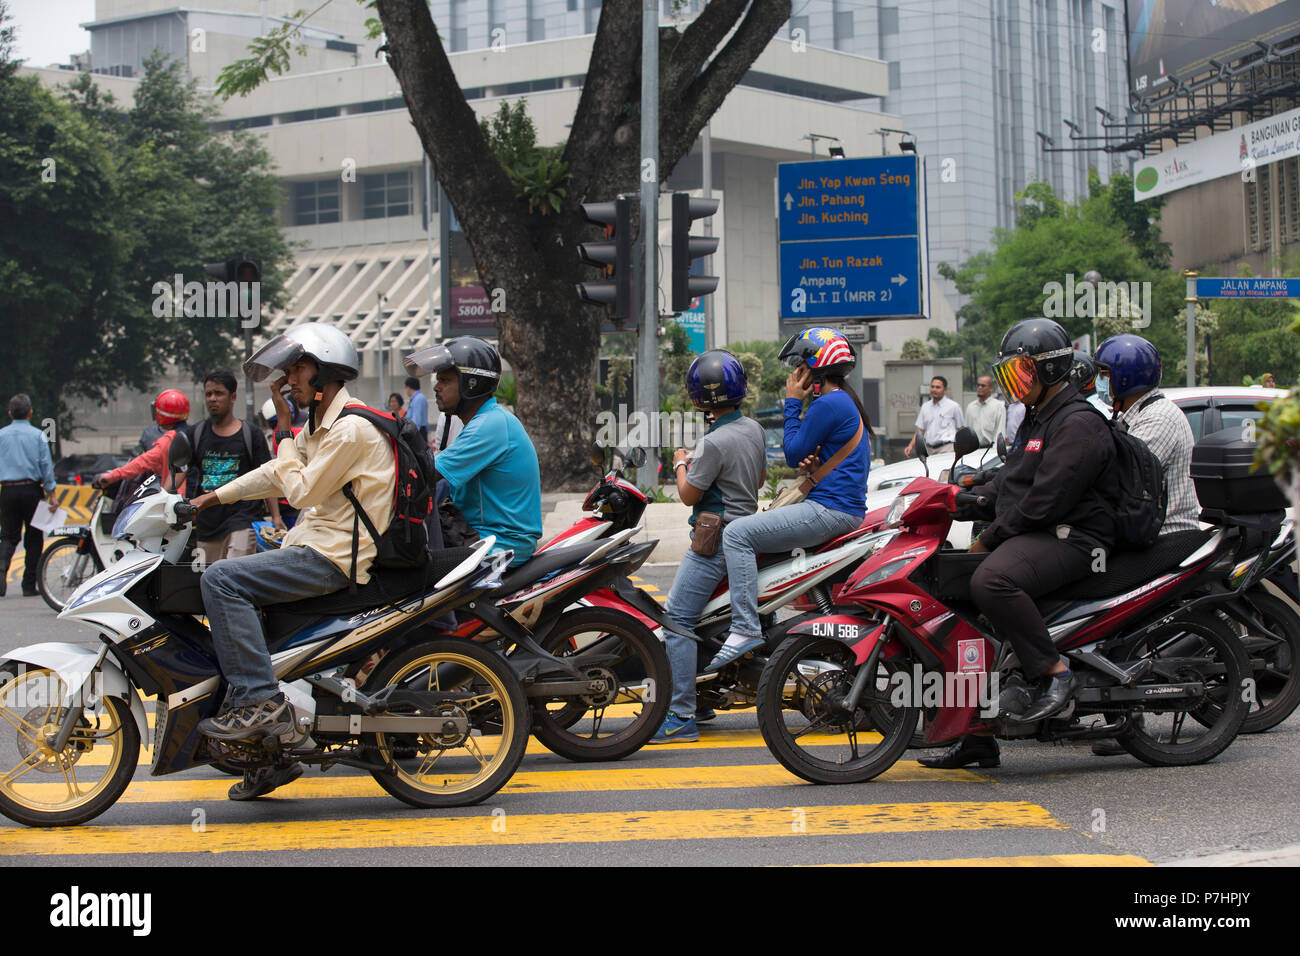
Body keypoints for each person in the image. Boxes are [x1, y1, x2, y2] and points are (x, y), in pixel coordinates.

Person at [188, 323, 394, 801]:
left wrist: (281, 430)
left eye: (297, 369)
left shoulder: (351, 430)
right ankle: (271, 754)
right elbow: (272, 475)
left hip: (331, 557)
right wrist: (209, 499)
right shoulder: (322, 427)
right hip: (308, 547)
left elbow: (299, 489)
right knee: (240, 622)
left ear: (324, 371)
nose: (288, 380)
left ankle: (260, 703)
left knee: (220, 581)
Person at [919, 318, 1117, 770]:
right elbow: (1013, 481)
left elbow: (1046, 500)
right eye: (1010, 373)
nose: (1014, 383)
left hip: (1076, 538)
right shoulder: (1038, 417)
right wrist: (960, 501)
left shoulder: (1078, 423)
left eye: (1022, 372)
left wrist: (990, 537)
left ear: (1049, 371)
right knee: (950, 593)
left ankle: (1053, 671)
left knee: (991, 580)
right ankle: (974, 736)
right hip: (1042, 531)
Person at [707, 327, 869, 671]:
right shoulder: (842, 401)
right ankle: (764, 627)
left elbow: (793, 453)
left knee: (736, 534)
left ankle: (745, 628)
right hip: (836, 507)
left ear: (814, 367)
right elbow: (813, 456)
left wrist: (793, 400)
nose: (794, 375)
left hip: (828, 510)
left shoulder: (828, 403)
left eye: (798, 367)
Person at [1090, 334, 1200, 757]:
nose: (1101, 383)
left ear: (1124, 376)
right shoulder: (1132, 414)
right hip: (1144, 531)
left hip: (1170, 535)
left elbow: (1120, 480)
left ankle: (1125, 714)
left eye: (1105, 375)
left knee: (1106, 597)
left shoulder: (1157, 420)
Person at [650, 351, 766, 744]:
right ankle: (699, 699)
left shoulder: (714, 442)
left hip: (714, 540)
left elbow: (686, 495)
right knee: (699, 619)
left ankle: (681, 714)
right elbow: (761, 476)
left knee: (677, 620)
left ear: (698, 397)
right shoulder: (753, 429)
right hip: (746, 530)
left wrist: (681, 461)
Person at [403, 337, 541, 566]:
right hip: (476, 535)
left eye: (445, 380)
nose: (437, 387)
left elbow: (426, 473)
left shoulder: (490, 425)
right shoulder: (484, 421)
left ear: (472, 383)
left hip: (499, 544)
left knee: (418, 574)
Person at [188, 370, 284, 565]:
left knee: (234, 572)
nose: (213, 399)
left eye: (219, 393)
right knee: (209, 579)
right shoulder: (196, 434)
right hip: (207, 524)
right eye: (208, 394)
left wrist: (276, 516)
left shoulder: (251, 435)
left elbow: (267, 477)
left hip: (242, 519)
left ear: (233, 397)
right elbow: (179, 473)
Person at [0, 394, 58, 598]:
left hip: (7, 490)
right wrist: (52, 494)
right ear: (30, 412)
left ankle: (2, 569)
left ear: (9, 413)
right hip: (32, 491)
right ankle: (28, 585)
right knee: (34, 538)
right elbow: (46, 466)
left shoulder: (1, 435)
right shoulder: (39, 435)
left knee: (7, 536)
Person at [94, 389, 191, 491]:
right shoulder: (194, 433)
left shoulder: (169, 440)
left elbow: (142, 462)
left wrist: (112, 476)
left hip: (177, 499)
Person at [905, 376, 964, 457]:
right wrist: (910, 446)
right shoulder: (925, 407)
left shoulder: (954, 406)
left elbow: (960, 429)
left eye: (938, 387)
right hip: (929, 450)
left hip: (947, 448)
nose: (934, 389)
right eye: (932, 387)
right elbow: (920, 430)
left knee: (945, 470)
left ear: (945, 389)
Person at [964, 375, 1006, 448]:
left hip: (990, 450)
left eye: (983, 386)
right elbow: (967, 430)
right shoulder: (971, 407)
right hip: (973, 450)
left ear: (991, 388)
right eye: (978, 385)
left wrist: (996, 450)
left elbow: (1000, 431)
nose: (979, 388)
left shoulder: (999, 406)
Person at [404, 376, 429, 443]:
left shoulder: (418, 399)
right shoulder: (417, 398)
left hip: (418, 431)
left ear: (408, 388)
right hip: (418, 430)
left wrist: (413, 434)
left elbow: (417, 419)